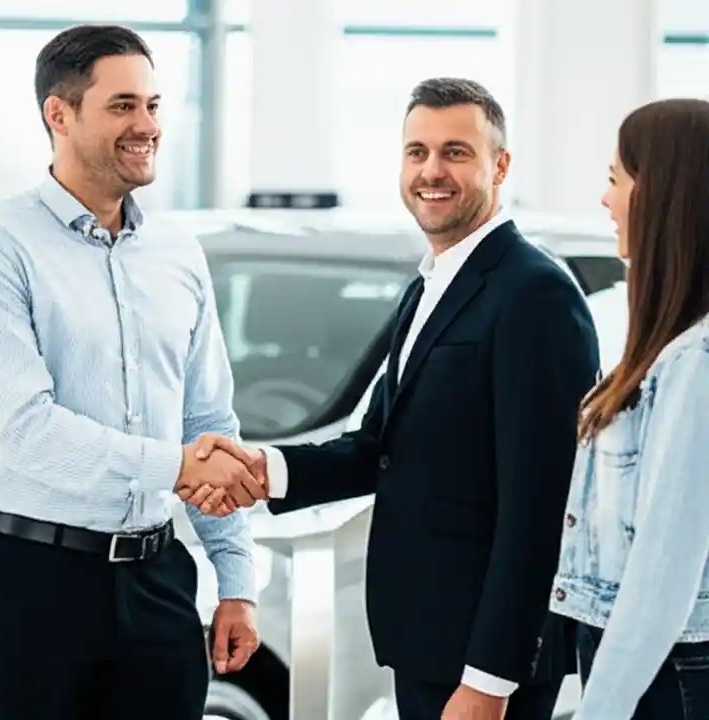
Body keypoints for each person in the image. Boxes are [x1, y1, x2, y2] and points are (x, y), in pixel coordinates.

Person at [190, 77, 601, 720]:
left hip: (482, 665)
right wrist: (261, 468)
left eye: (455, 152)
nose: (431, 171)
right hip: (425, 644)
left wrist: (490, 680)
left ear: (500, 166)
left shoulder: (534, 293)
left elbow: (542, 507)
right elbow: (380, 448)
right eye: (417, 152)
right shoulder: (432, 284)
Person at [0, 24, 266, 720]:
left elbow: (208, 420)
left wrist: (235, 578)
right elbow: (24, 431)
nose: (147, 125)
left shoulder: (178, 253)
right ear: (58, 115)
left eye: (153, 105)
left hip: (159, 583)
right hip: (31, 585)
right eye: (123, 106)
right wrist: (175, 466)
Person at [548, 97, 709, 719]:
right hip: (655, 666)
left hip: (670, 674)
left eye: (616, 178)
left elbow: (664, 568)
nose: (606, 198)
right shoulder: (669, 347)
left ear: (664, 195)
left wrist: (601, 710)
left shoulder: (694, 362)